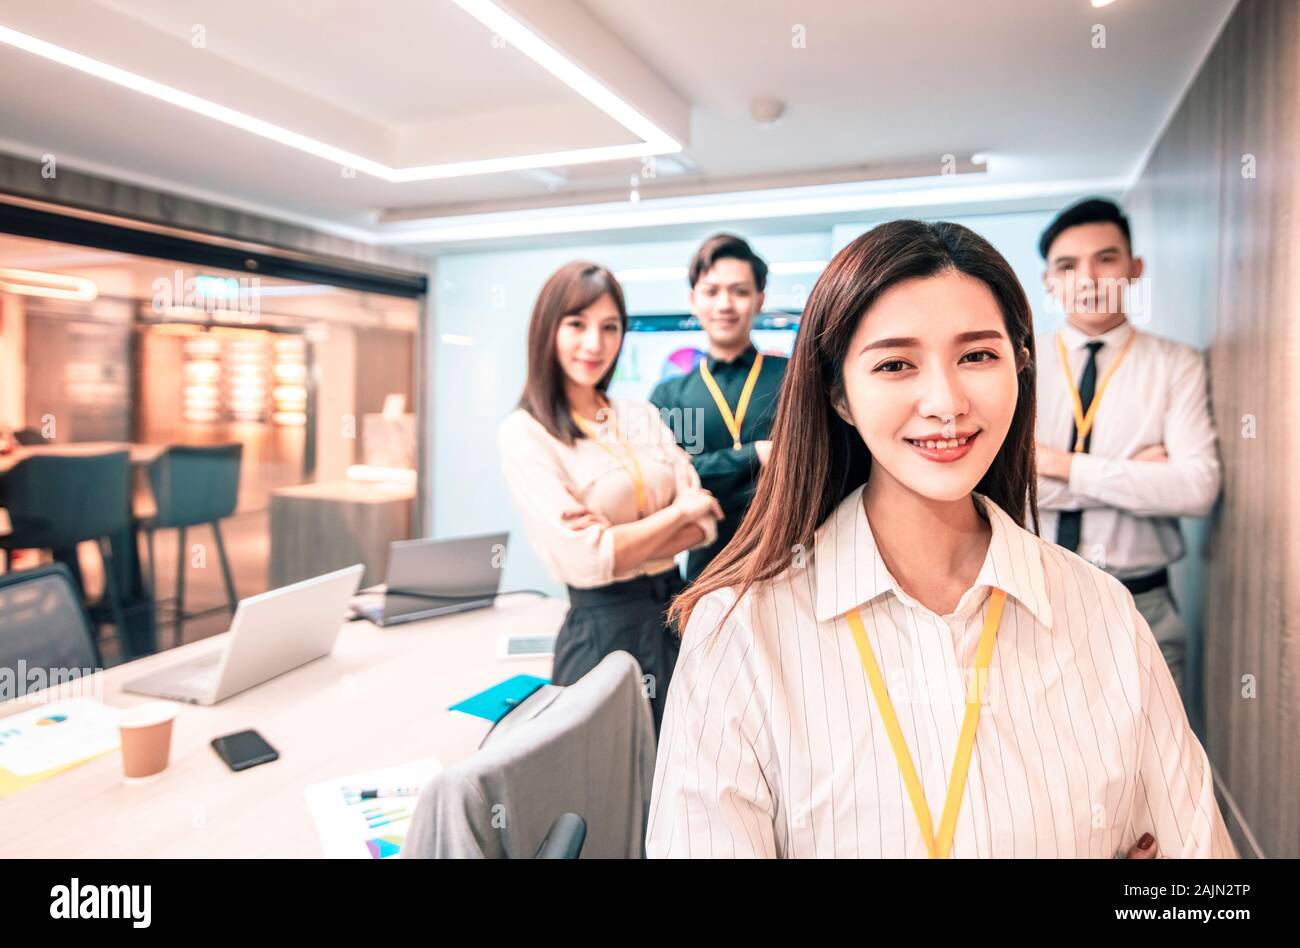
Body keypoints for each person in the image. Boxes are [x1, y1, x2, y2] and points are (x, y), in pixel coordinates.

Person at [645, 220, 1234, 858]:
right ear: (839, 393)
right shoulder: (740, 631)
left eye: (977, 355)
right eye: (896, 364)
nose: (945, 402)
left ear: (1020, 367)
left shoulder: (1106, 614)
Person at [498, 262, 722, 734]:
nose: (594, 344)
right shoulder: (526, 433)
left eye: (609, 327)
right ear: (548, 329)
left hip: (673, 620)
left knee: (677, 783)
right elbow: (587, 558)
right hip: (600, 632)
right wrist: (678, 513)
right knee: (603, 794)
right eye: (577, 325)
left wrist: (622, 538)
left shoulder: (638, 414)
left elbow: (705, 525)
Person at [1035, 198, 1221, 699]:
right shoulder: (1019, 366)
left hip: (1144, 605)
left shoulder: (1176, 364)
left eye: (1107, 259)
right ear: (1050, 281)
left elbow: (1196, 489)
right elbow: (1006, 485)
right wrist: (1130, 478)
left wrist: (1062, 466)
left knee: (1161, 772)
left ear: (1135, 269)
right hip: (1036, 600)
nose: (1089, 279)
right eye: (1068, 266)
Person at [649, 234, 788, 581]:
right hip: (703, 576)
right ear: (693, 300)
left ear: (759, 299)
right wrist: (756, 455)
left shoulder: (794, 378)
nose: (724, 304)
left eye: (739, 291)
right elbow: (669, 483)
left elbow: (808, 466)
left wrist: (712, 472)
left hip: (789, 567)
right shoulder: (671, 396)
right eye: (711, 292)